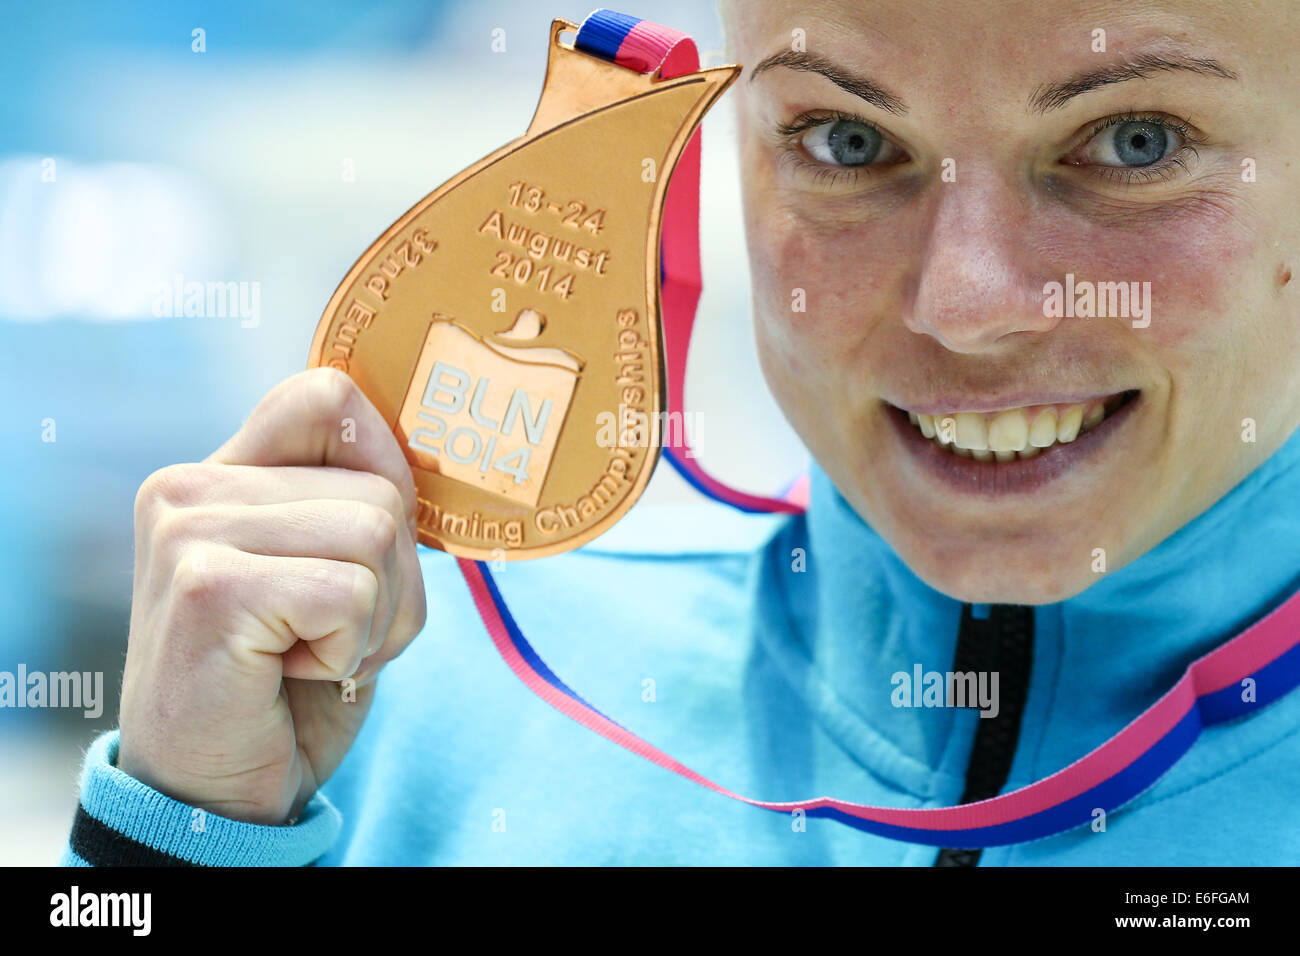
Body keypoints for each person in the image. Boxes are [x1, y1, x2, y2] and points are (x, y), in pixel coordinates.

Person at [63, 0, 1300, 866]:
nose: (964, 304)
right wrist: (169, 840)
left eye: (1137, 143)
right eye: (848, 141)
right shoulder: (387, 688)